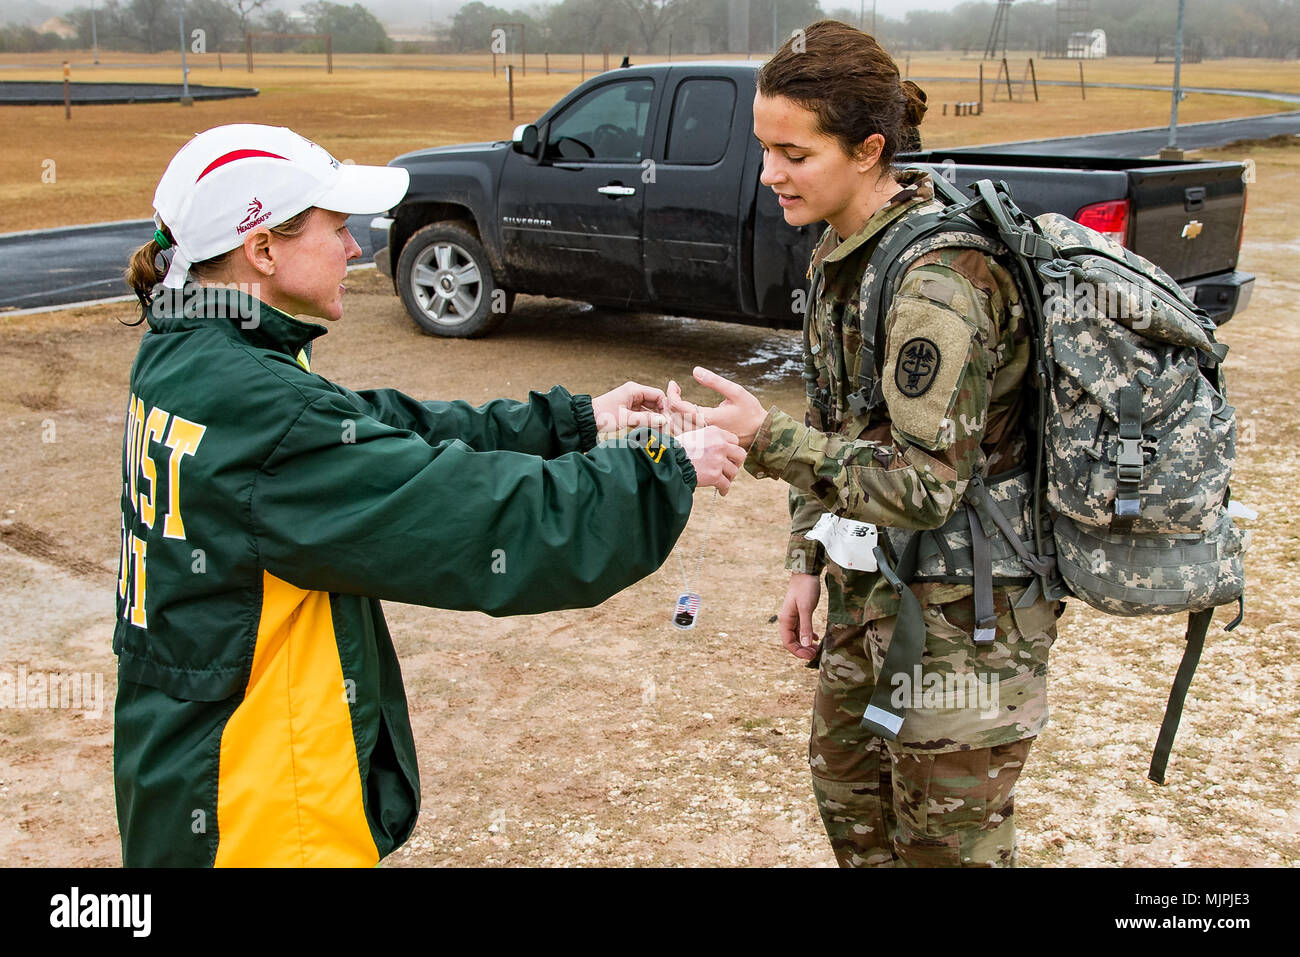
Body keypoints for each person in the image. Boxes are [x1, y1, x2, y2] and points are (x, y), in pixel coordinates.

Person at [115, 123, 745, 867]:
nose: (357, 248)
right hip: (256, 811)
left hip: (184, 773)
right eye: (337, 227)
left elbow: (377, 430)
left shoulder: (192, 351)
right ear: (262, 249)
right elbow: (479, 518)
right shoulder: (266, 409)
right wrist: (662, 464)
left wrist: (572, 422)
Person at [668, 21, 1062, 867]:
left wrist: (765, 439)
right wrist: (805, 562)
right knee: (853, 812)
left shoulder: (937, 281)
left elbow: (926, 485)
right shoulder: (842, 254)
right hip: (867, 592)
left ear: (868, 148)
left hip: (962, 619)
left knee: (944, 848)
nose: (769, 173)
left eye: (794, 154)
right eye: (764, 148)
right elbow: (838, 419)